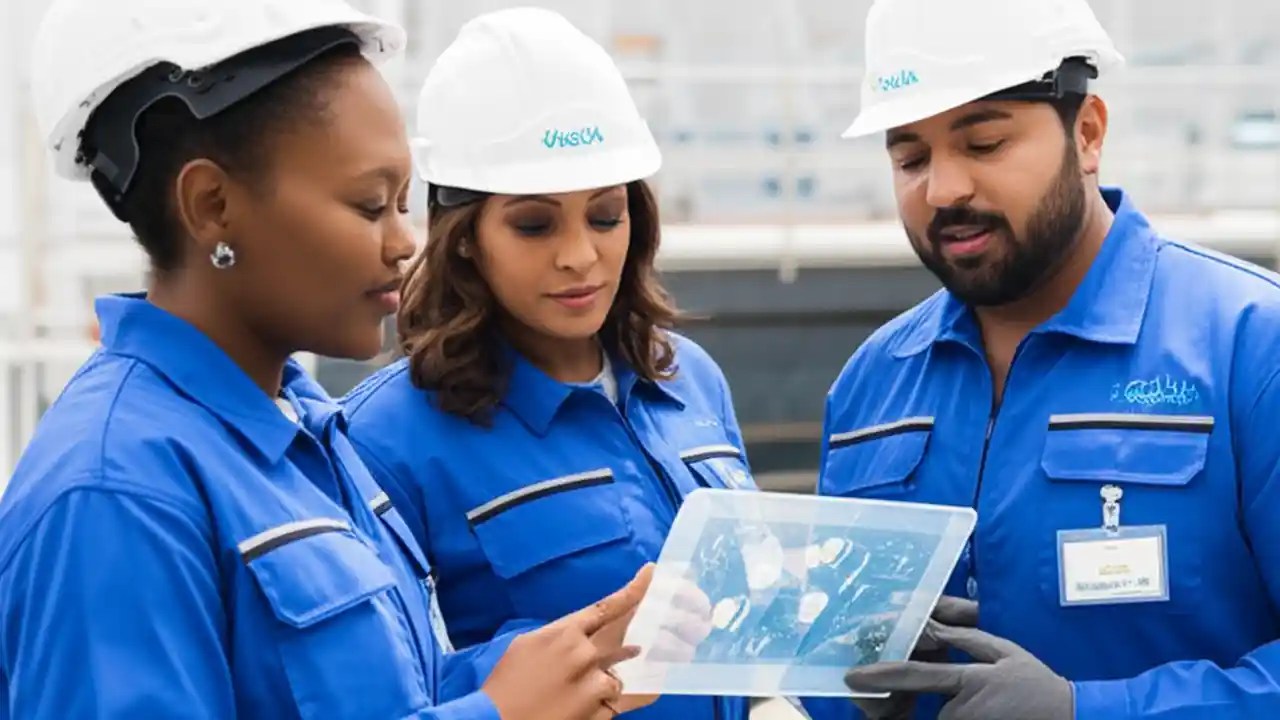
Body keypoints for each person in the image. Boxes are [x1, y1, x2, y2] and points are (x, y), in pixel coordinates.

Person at [0, 1, 662, 718]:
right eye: (371, 204)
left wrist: (545, 665)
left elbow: (385, 695)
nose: (404, 242)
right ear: (212, 205)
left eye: (403, 203)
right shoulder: (115, 493)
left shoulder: (308, 436)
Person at [801, 0, 1280, 719]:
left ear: (1086, 133)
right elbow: (825, 669)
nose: (943, 189)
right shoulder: (874, 385)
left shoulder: (1250, 346)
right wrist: (845, 686)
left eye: (985, 144)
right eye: (910, 157)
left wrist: (1087, 711)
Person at [342, 8, 752, 720]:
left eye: (605, 215)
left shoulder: (689, 379)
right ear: (464, 237)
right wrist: (568, 657)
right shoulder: (384, 436)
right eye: (534, 224)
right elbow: (380, 687)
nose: (579, 256)